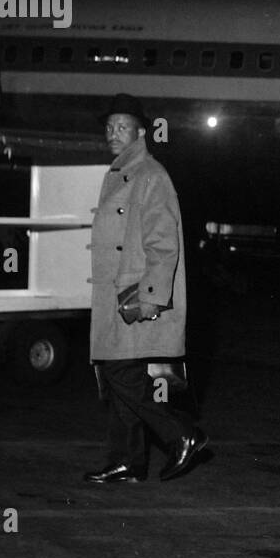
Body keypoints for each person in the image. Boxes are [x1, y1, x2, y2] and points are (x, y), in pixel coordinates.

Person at [83, 93, 209, 484]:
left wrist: (152, 298)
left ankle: (182, 434)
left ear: (141, 132)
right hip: (118, 295)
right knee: (117, 371)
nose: (113, 133)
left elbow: (164, 243)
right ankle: (127, 461)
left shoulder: (151, 176)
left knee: (120, 370)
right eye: (109, 126)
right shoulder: (121, 174)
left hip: (136, 296)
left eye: (122, 126)